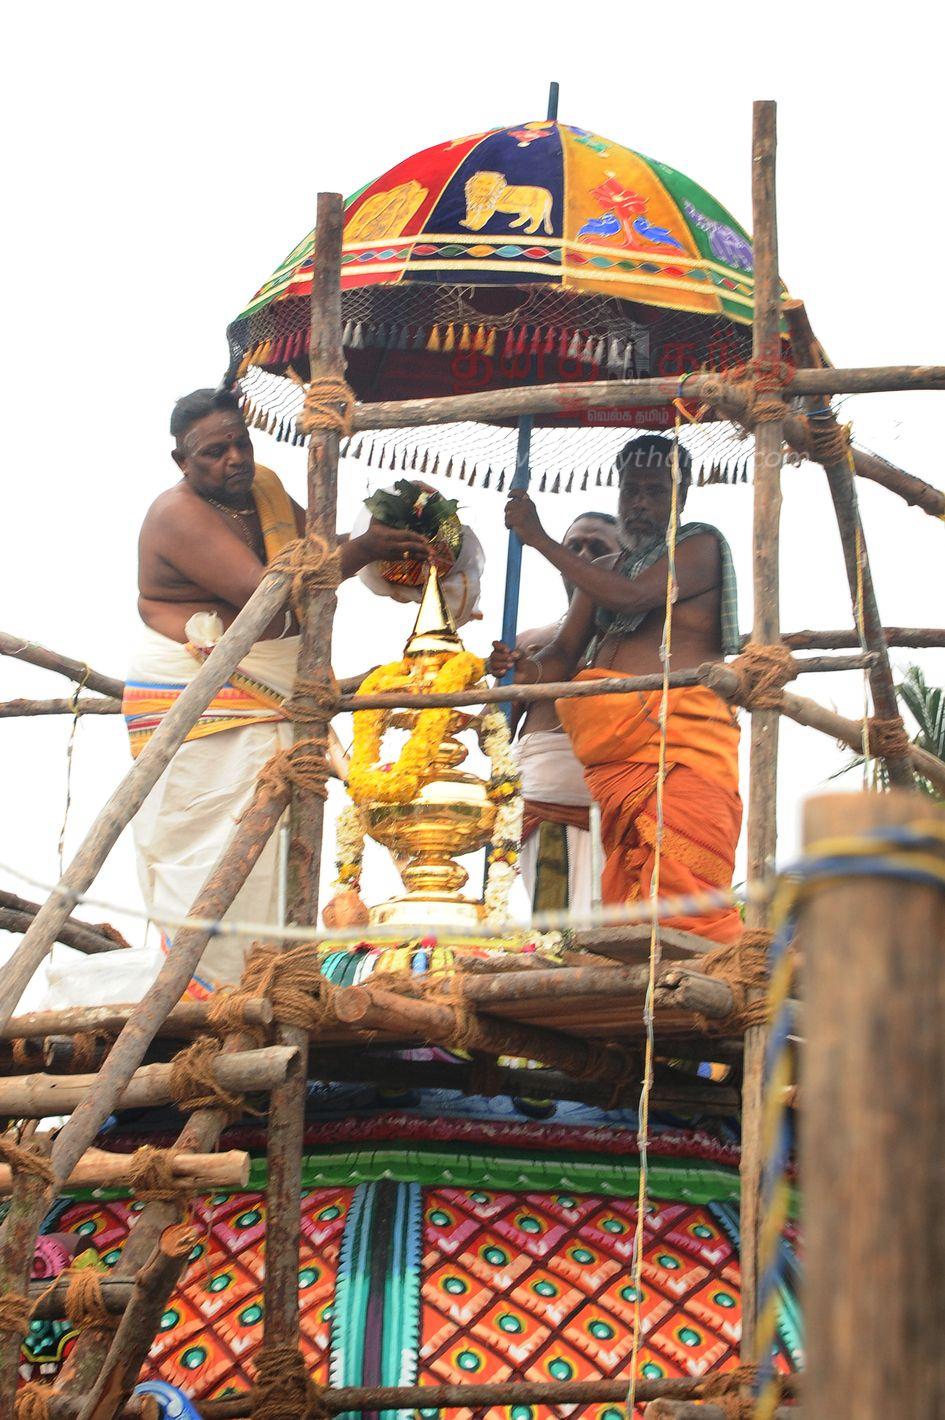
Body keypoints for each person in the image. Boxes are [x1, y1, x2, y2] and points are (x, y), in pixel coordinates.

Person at [124, 387, 430, 993]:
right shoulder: (175, 512)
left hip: (267, 689)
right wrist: (362, 549)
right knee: (216, 855)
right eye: (214, 451)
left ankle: (265, 984)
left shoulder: (262, 489)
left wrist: (385, 541)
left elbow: (316, 552)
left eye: (241, 441)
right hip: (206, 696)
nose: (234, 458)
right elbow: (268, 601)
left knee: (272, 851)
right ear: (182, 462)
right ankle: (206, 997)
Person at [490, 434, 742, 943]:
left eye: (655, 490)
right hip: (612, 757)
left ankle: (691, 995)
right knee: (626, 899)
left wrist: (539, 538)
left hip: (680, 745)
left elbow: (633, 598)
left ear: (683, 493)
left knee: (679, 907)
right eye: (631, 491)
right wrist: (518, 670)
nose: (641, 503)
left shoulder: (700, 545)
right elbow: (561, 658)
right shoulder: (602, 571)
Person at [511, 512, 620, 916]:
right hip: (542, 809)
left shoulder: (635, 639)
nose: (583, 556)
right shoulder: (530, 640)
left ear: (620, 562)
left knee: (607, 939)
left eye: (599, 549)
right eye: (573, 546)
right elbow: (495, 731)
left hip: (616, 806)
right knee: (558, 936)